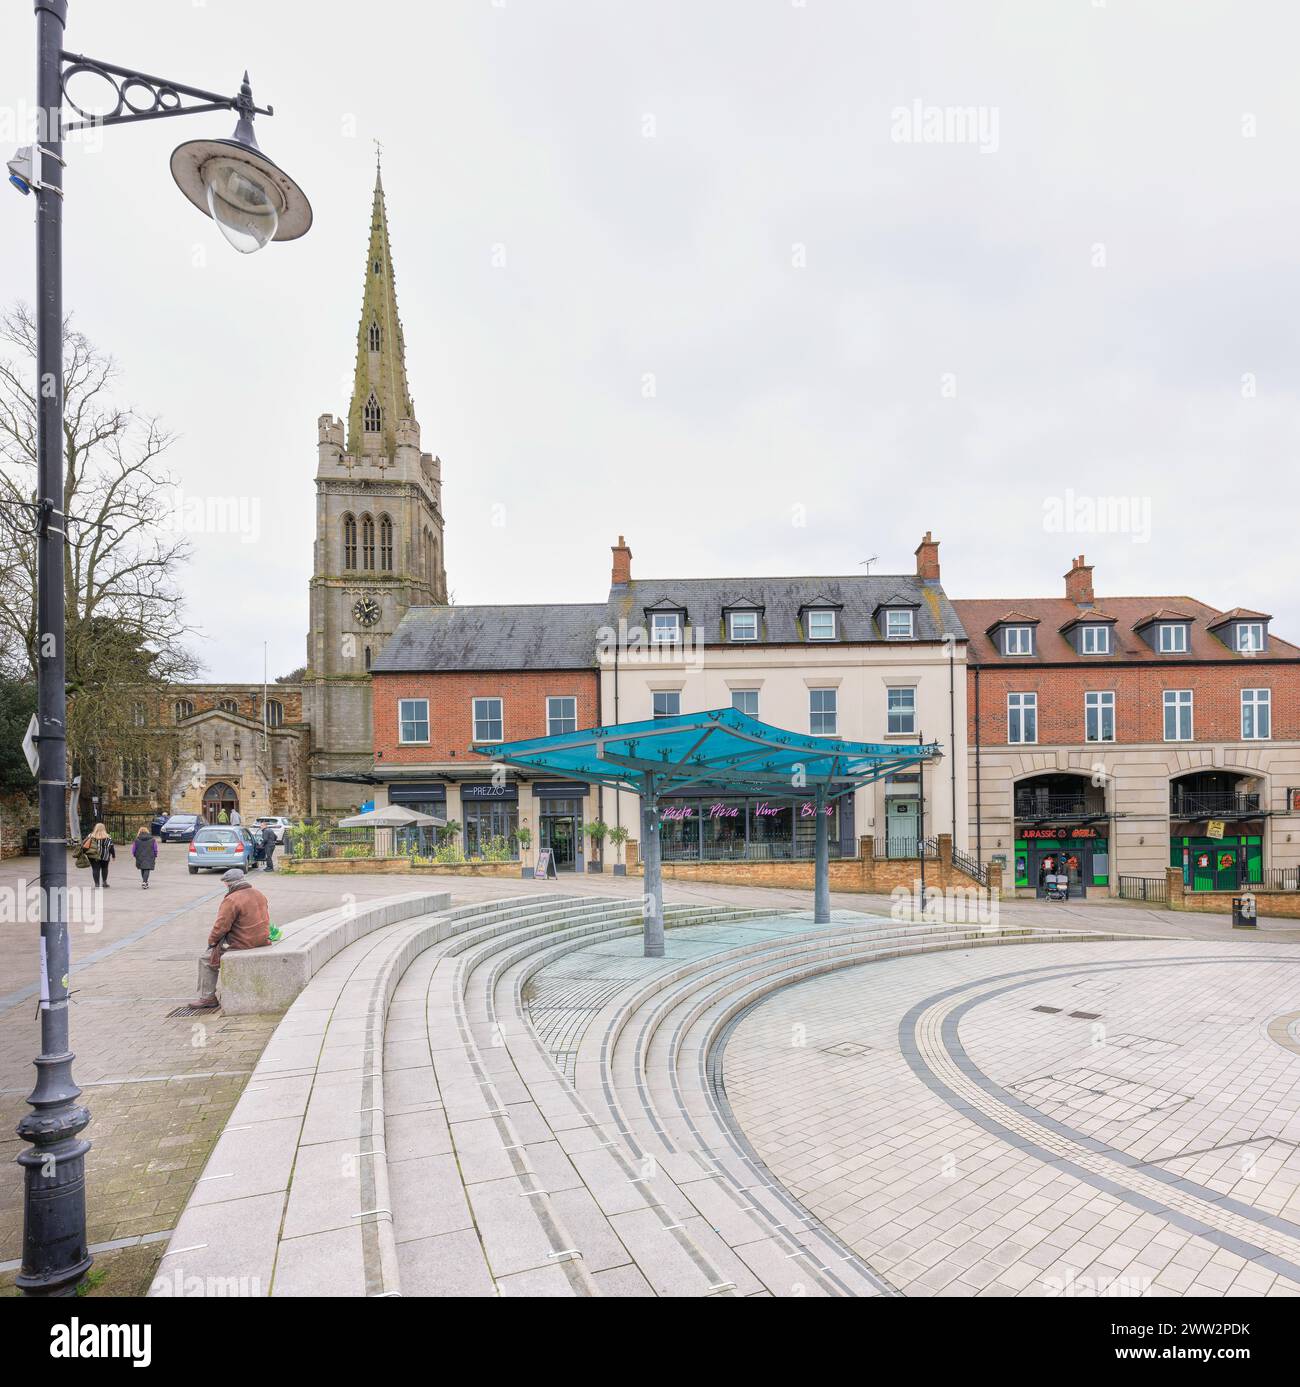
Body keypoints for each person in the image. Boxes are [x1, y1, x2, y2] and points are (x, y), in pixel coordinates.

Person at [192, 868, 270, 1009]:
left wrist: (211, 942)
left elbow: (220, 927)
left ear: (228, 884)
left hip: (244, 942)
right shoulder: (259, 894)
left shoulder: (231, 899)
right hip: (262, 939)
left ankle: (207, 998)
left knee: (206, 959)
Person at [82, 822, 115, 888]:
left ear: (95, 828)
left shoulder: (90, 836)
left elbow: (85, 845)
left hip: (93, 856)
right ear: (104, 828)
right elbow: (111, 847)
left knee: (95, 869)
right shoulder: (108, 837)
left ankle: (97, 884)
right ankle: (104, 882)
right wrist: (113, 855)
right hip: (105, 856)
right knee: (105, 868)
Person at [131, 824, 158, 889]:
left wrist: (135, 855)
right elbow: (155, 848)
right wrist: (155, 854)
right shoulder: (152, 839)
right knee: (147, 868)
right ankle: (145, 882)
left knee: (143, 868)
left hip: (140, 856)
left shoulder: (137, 840)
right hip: (150, 856)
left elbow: (133, 849)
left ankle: (145, 882)